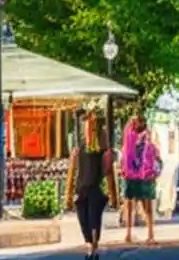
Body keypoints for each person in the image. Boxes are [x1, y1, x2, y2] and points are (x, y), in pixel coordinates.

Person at [64, 111, 119, 260]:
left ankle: (93, 248)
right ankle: (90, 245)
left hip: (95, 188)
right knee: (83, 219)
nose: (87, 128)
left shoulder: (102, 149)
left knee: (94, 219)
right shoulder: (80, 147)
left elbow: (108, 172)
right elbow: (73, 171)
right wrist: (69, 195)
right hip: (81, 189)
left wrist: (113, 196)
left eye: (89, 125)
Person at [120, 116, 160, 244]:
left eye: (138, 122)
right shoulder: (129, 137)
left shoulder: (148, 138)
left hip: (144, 175)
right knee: (130, 205)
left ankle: (150, 234)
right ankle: (129, 234)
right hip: (132, 174)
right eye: (134, 123)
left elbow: (156, 156)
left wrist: (155, 172)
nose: (136, 124)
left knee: (146, 205)